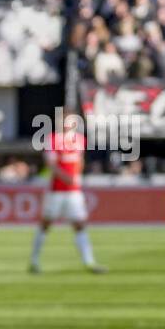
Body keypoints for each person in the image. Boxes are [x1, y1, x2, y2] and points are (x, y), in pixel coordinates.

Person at [30, 113, 107, 274]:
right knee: (45, 224)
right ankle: (34, 261)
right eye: (64, 120)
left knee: (80, 224)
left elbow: (80, 161)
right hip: (56, 191)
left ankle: (89, 262)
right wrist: (67, 178)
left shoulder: (79, 139)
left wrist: (76, 177)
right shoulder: (52, 139)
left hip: (74, 192)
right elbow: (51, 165)